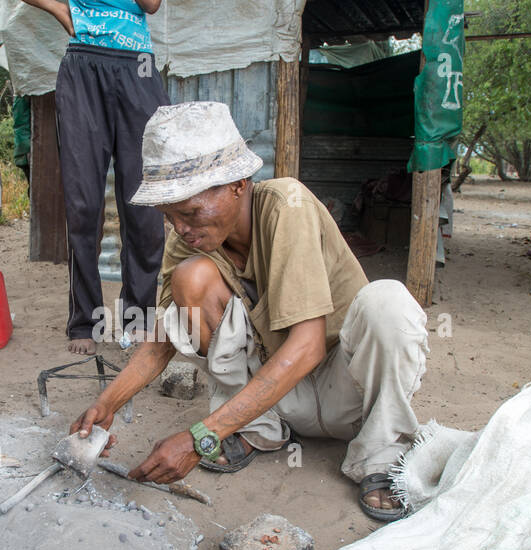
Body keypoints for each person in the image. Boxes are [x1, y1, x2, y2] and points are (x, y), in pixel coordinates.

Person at [70, 102, 430, 520]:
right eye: (169, 216)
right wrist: (108, 401)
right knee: (191, 278)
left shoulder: (286, 205)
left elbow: (310, 346)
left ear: (239, 184)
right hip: (279, 398)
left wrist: (201, 435)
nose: (180, 227)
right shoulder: (190, 238)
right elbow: (166, 337)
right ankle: (255, 430)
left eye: (188, 212)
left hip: (348, 392)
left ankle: (382, 455)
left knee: (389, 301)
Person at [1, 0, 169, 355]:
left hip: (137, 74)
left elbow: (149, 0)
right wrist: (54, 7)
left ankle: (137, 318)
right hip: (83, 72)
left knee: (146, 208)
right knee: (83, 204)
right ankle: (86, 322)